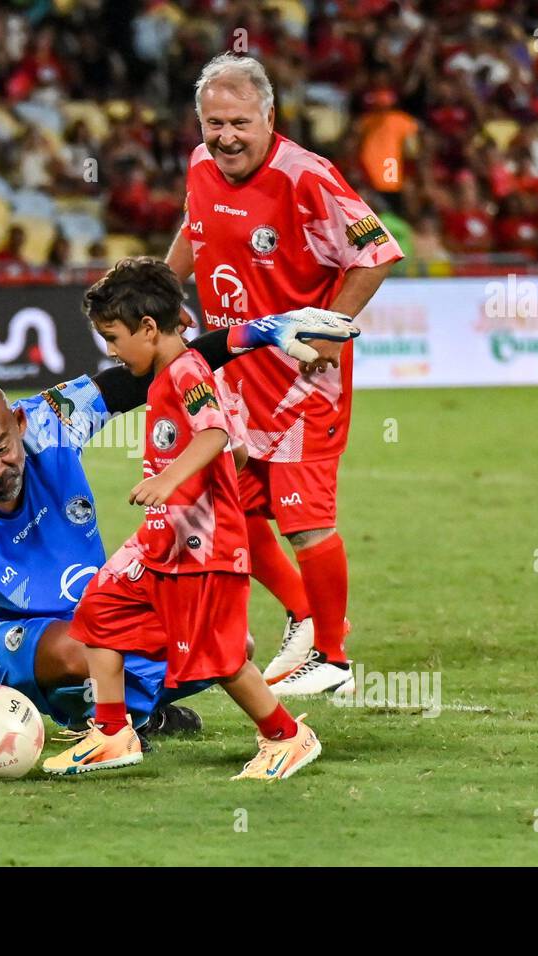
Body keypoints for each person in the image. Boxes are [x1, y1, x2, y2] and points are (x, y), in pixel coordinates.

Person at [0, 302, 346, 771]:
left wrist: (258, 333)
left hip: (87, 610)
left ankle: (126, 722)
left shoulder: (50, 420)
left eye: (2, 449)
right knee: (78, 647)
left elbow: (154, 371)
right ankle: (129, 720)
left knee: (228, 645)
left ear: (19, 425)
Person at [42, 258, 353, 780]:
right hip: (161, 539)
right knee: (99, 612)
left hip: (204, 546)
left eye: (113, 337)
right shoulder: (171, 373)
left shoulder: (186, 372)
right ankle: (113, 732)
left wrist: (169, 481)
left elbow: (213, 436)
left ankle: (287, 736)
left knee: (221, 660)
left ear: (147, 328)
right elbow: (229, 452)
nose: (110, 351)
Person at [166, 54, 402, 697]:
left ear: (269, 117)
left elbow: (375, 252)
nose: (226, 136)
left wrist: (332, 327)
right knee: (230, 505)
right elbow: (194, 225)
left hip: (302, 383)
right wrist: (165, 294)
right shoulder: (199, 165)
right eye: (214, 123)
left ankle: (332, 656)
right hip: (235, 376)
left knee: (305, 520)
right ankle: (305, 613)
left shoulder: (308, 177)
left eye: (240, 122)